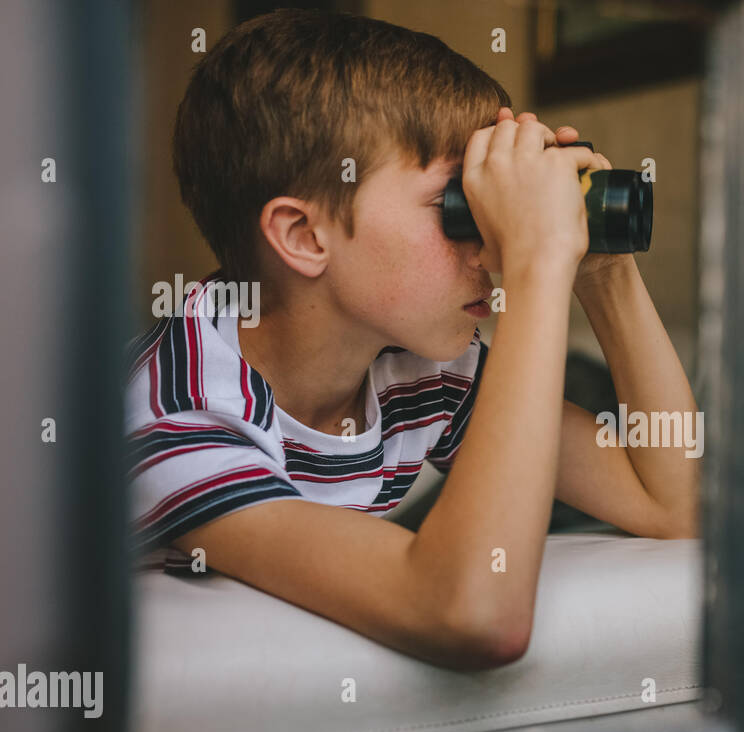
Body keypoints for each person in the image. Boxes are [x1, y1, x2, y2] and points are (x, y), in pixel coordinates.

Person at [124, 9, 699, 671]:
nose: (490, 241)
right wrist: (540, 260)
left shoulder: (421, 368)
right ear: (305, 237)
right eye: (456, 204)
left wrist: (603, 270)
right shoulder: (178, 411)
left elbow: (672, 507)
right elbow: (473, 616)